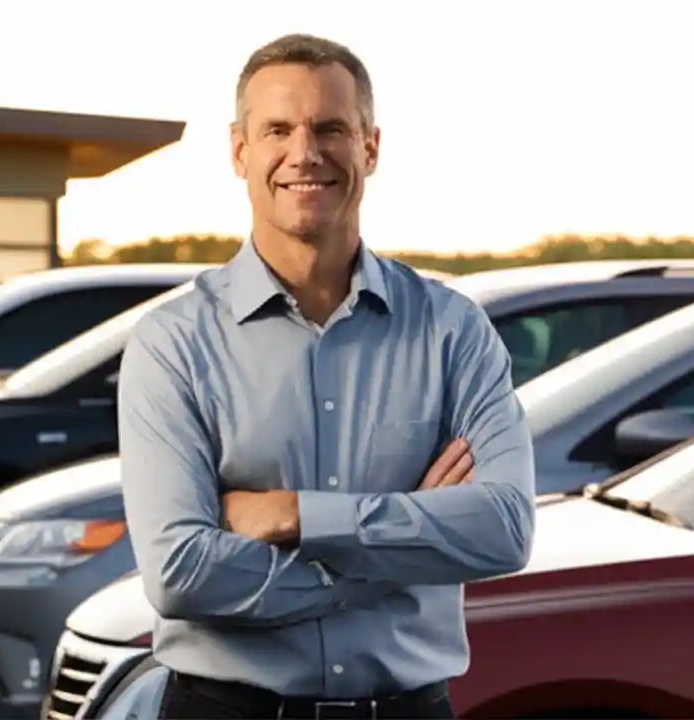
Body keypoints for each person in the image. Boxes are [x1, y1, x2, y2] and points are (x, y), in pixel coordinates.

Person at [117, 32, 536, 720]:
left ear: (370, 146)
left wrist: (294, 516)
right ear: (239, 150)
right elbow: (181, 575)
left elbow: (504, 530)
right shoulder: (173, 344)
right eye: (278, 128)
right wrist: (401, 551)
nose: (304, 153)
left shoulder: (453, 330)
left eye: (331, 128)